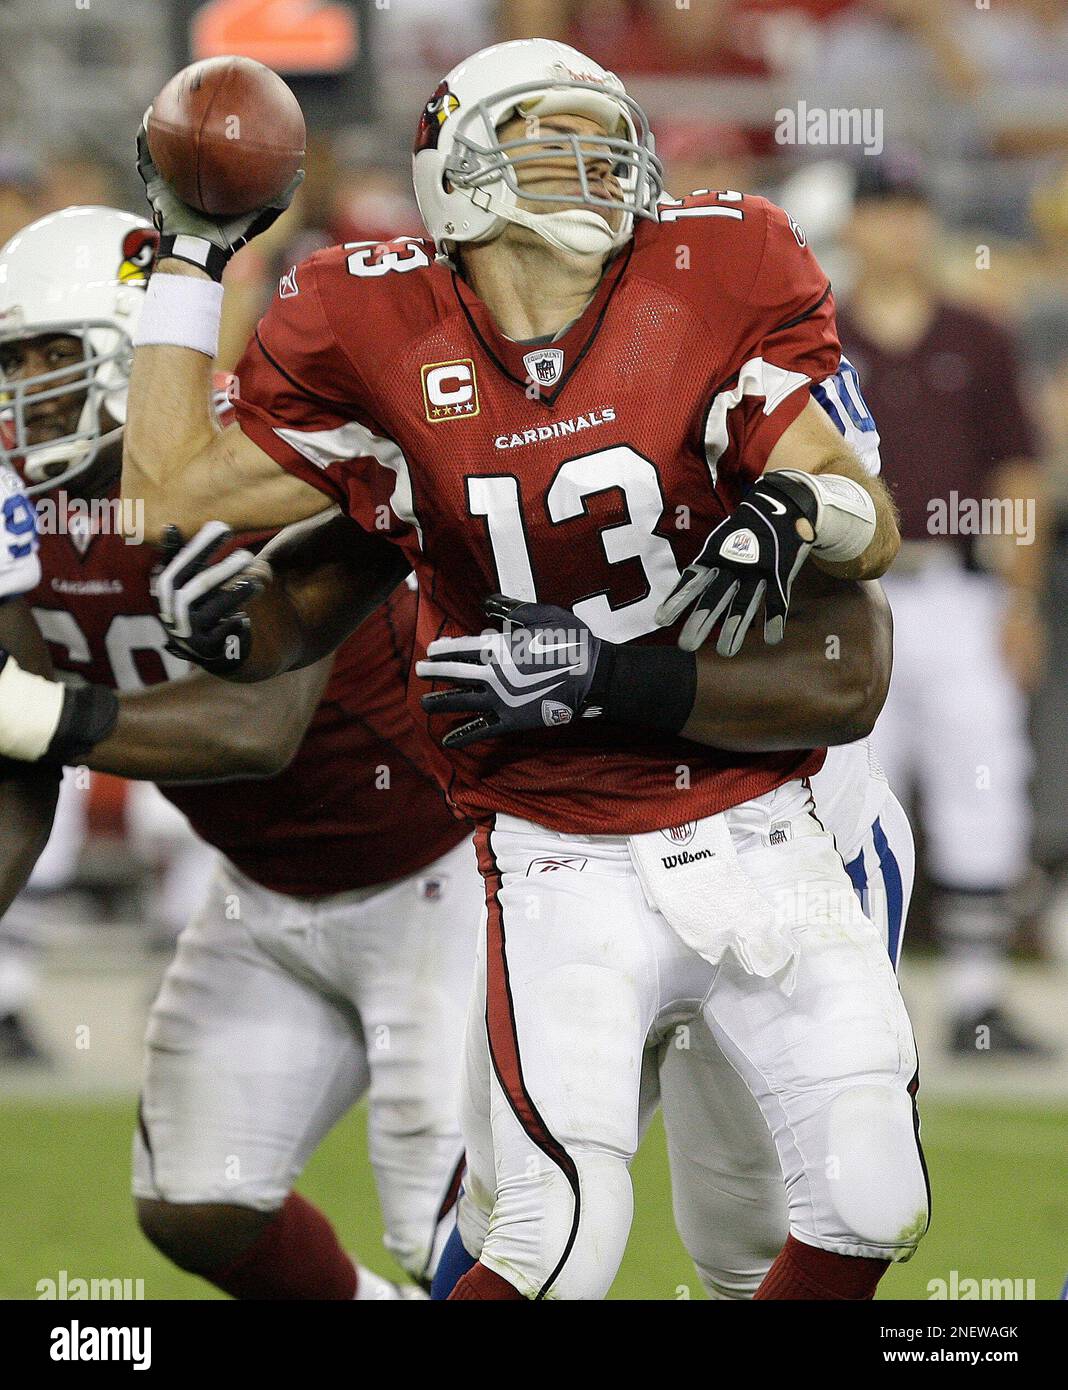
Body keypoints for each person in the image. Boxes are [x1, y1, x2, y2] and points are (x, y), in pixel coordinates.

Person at [119, 38, 929, 1299]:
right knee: (540, 1226)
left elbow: (852, 620)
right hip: (555, 833)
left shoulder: (722, 271)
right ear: (458, 172)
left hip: (779, 802)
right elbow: (179, 498)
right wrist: (183, 261)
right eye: (543, 135)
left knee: (809, 1207)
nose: (589, 160)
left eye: (600, 130)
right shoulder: (376, 328)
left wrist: (784, 525)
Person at [0, 206, 484, 1297]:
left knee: (455, 1239)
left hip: (442, 877)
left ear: (134, 355)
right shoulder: (22, 507)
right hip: (265, 890)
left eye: (50, 356)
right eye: (10, 360)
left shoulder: (245, 464)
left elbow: (256, 726)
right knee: (199, 1204)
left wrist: (41, 717)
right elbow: (17, 753)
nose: (22, 389)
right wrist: (28, 723)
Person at [837, 156, 1050, 1055]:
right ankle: (852, 997)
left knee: (983, 783)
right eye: (884, 211)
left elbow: (1017, 473)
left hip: (958, 585)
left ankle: (977, 995)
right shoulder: (819, 332)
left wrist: (1022, 599)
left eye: (912, 210)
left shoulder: (977, 332)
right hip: (851, 594)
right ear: (855, 225)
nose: (900, 228)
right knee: (848, 791)